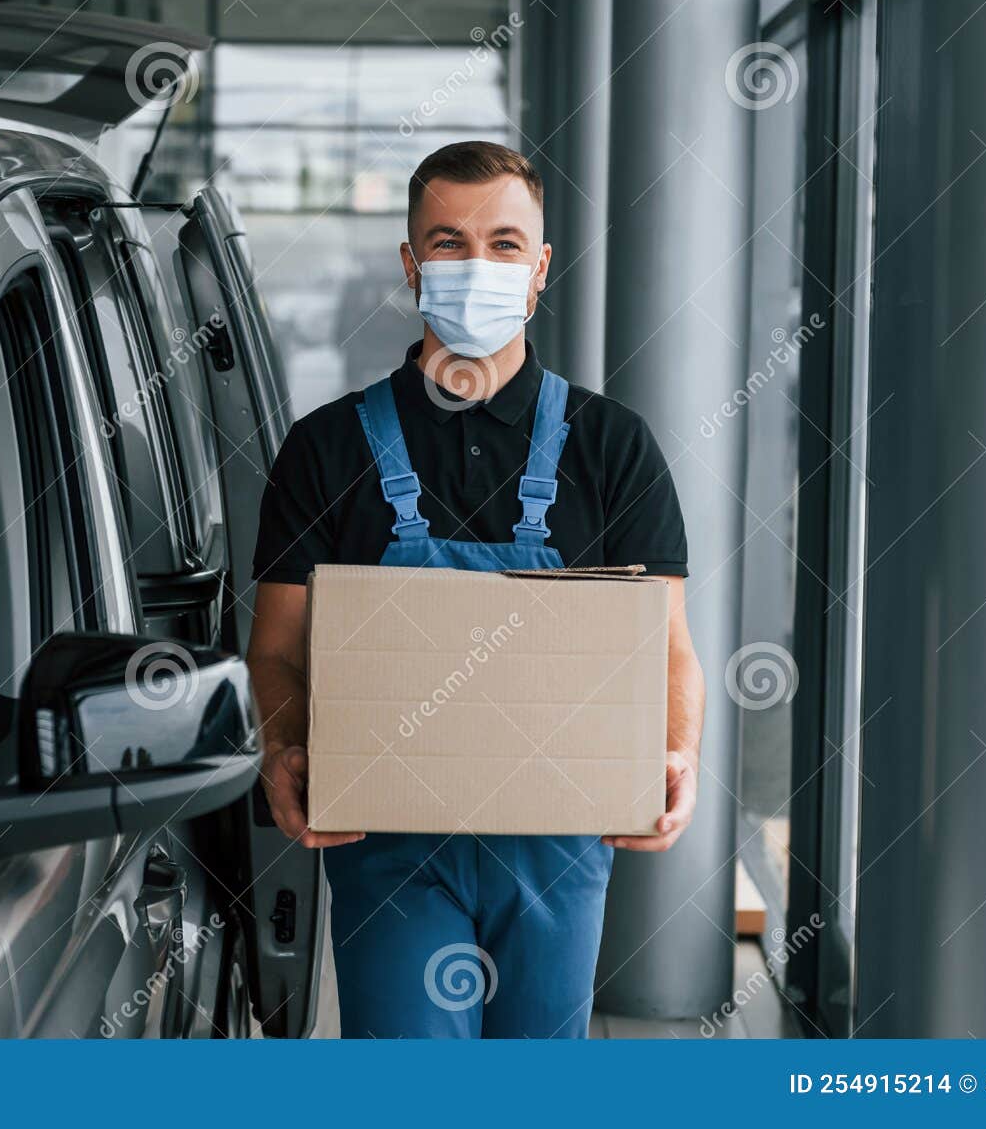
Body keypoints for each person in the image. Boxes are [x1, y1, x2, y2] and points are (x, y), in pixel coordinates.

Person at [245, 140, 707, 1038]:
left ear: (539, 269)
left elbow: (668, 644)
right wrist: (284, 747)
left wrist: (677, 752)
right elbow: (275, 646)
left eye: (503, 243)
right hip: (384, 841)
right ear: (412, 264)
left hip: (557, 842)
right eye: (449, 243)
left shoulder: (612, 447)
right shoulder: (326, 448)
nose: (476, 265)